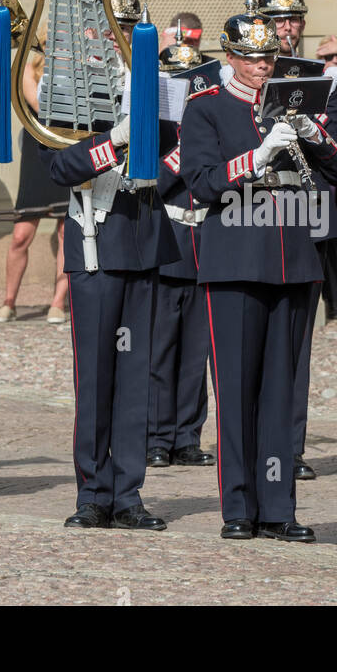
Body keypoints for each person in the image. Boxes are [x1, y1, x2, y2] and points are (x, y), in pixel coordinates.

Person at [180, 0, 337, 542]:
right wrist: (255, 158)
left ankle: (280, 507)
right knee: (236, 391)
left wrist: (311, 134)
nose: (261, 67)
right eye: (251, 58)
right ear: (229, 57)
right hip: (234, 261)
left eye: (268, 58)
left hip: (294, 259)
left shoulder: (293, 104)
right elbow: (202, 184)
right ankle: (238, 507)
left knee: (283, 390)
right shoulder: (205, 107)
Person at [46, 0, 180, 531]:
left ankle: (129, 493)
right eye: (113, 29)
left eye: (129, 28)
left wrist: (152, 159)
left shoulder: (152, 83)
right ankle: (93, 493)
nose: (121, 37)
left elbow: (178, 148)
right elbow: (57, 164)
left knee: (135, 379)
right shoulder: (65, 90)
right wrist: (113, 141)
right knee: (96, 377)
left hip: (143, 234)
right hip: (96, 240)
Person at [257, 0, 337, 480]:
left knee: (296, 340)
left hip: (306, 211)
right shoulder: (245, 76)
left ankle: (290, 447)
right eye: (276, 19)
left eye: (293, 18)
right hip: (253, 208)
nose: (287, 27)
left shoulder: (319, 79)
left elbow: (333, 144)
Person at [146, 36, 217, 469]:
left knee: (196, 351)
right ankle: (156, 435)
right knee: (160, 347)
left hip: (205, 240)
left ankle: (188, 435)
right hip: (167, 239)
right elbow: (150, 181)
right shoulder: (152, 125)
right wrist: (179, 152)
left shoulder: (207, 122)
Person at [0, 37, 69, 325]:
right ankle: (9, 302)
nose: (59, 48)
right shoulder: (29, 68)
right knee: (22, 233)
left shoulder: (76, 71)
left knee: (65, 233)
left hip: (67, 151)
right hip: (37, 154)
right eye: (54, 42)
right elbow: (37, 103)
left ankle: (57, 302)